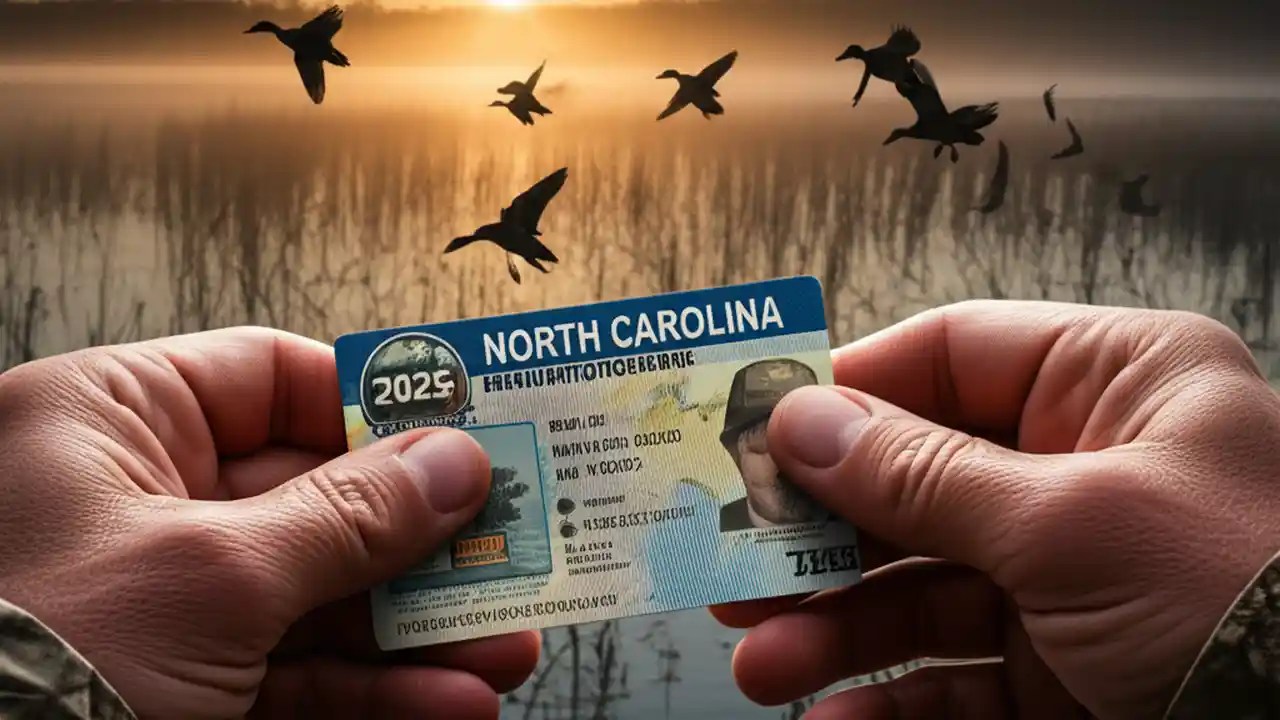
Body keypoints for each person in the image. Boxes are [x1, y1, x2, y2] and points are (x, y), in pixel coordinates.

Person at [0, 301, 1276, 718]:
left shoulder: (753, 535)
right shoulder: (704, 530)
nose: (763, 454)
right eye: (742, 437)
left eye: (766, 434)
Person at [711, 300, 1280, 719]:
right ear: (732, 450)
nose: (785, 464)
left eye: (790, 435)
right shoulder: (714, 540)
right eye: (763, 444)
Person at [718, 358, 827, 532]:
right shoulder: (717, 529)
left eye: (798, 443)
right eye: (763, 448)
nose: (782, 461)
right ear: (737, 456)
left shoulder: (849, 519)